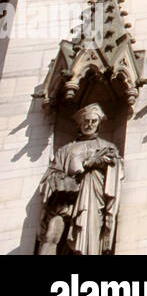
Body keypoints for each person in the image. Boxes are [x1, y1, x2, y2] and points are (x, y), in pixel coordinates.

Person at [36, 102, 122, 255]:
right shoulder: (66, 149)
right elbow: (50, 176)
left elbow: (116, 173)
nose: (89, 125)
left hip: (92, 200)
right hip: (65, 201)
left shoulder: (107, 147)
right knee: (52, 234)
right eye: (86, 121)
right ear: (80, 123)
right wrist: (65, 179)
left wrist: (98, 163)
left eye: (93, 121)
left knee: (88, 234)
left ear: (99, 123)